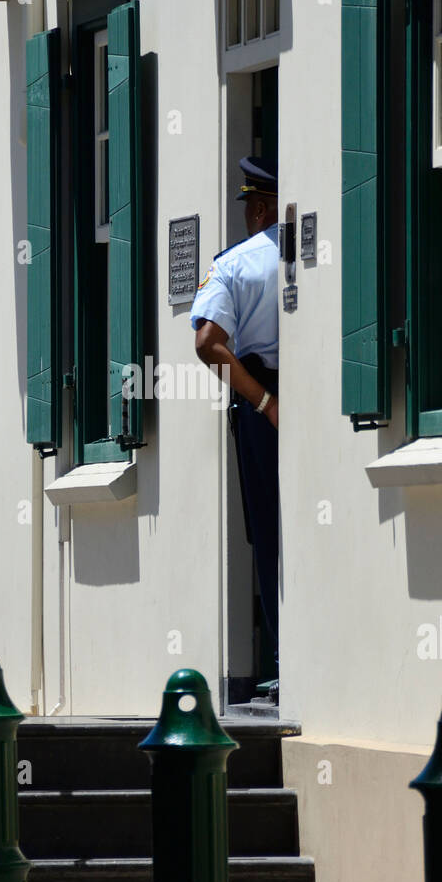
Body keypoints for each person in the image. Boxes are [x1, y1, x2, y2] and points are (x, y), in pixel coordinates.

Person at [190, 156, 279, 696]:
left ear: (261, 208)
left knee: (268, 528)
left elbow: (207, 343)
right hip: (324, 397)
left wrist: (265, 402)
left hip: (263, 402)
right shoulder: (317, 248)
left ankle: (284, 659)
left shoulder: (236, 263)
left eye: (250, 207)